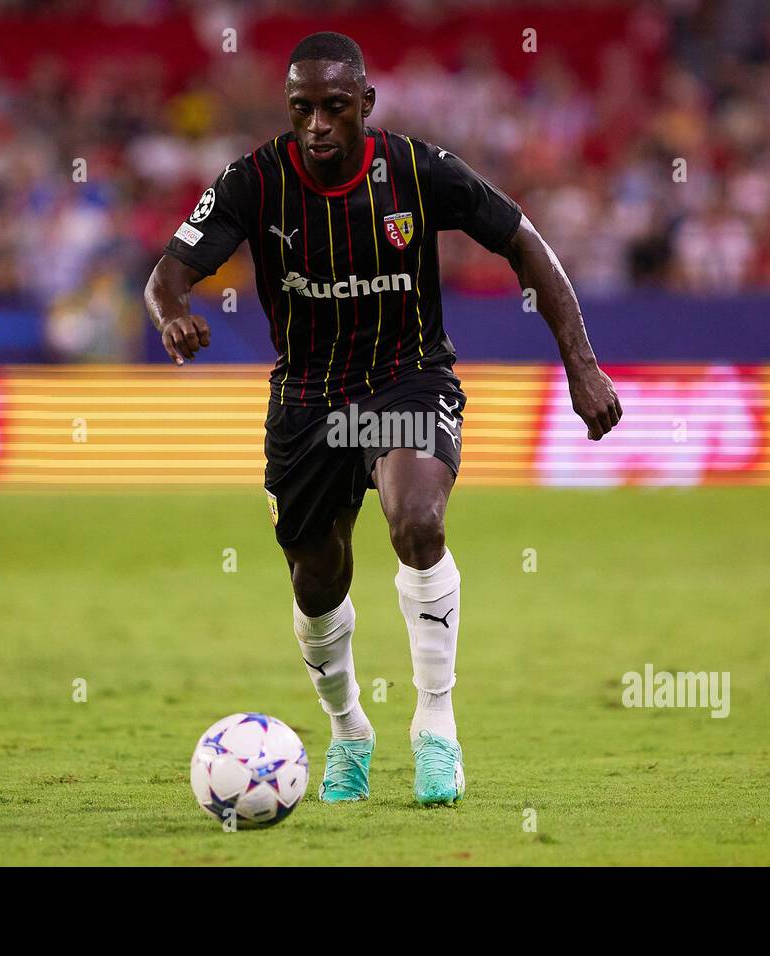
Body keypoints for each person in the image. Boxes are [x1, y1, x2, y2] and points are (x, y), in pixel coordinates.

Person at [145, 32, 621, 806]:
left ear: (366, 103)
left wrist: (583, 363)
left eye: (336, 108)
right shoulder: (252, 182)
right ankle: (349, 732)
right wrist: (172, 316)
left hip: (405, 380)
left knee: (418, 523)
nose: (319, 126)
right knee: (316, 577)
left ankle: (437, 728)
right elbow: (168, 275)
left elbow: (526, 243)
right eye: (303, 110)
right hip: (306, 398)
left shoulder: (417, 170)